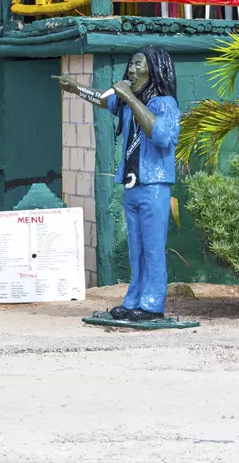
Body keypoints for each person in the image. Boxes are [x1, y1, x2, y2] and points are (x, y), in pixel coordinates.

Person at [56, 46, 179, 322]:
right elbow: (103, 99)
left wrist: (129, 97)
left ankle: (153, 302)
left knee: (153, 248)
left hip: (154, 186)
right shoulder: (125, 103)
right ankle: (135, 297)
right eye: (131, 65)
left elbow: (160, 134)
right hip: (133, 185)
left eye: (138, 65)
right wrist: (76, 88)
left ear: (154, 69)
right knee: (137, 250)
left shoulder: (164, 103)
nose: (131, 70)